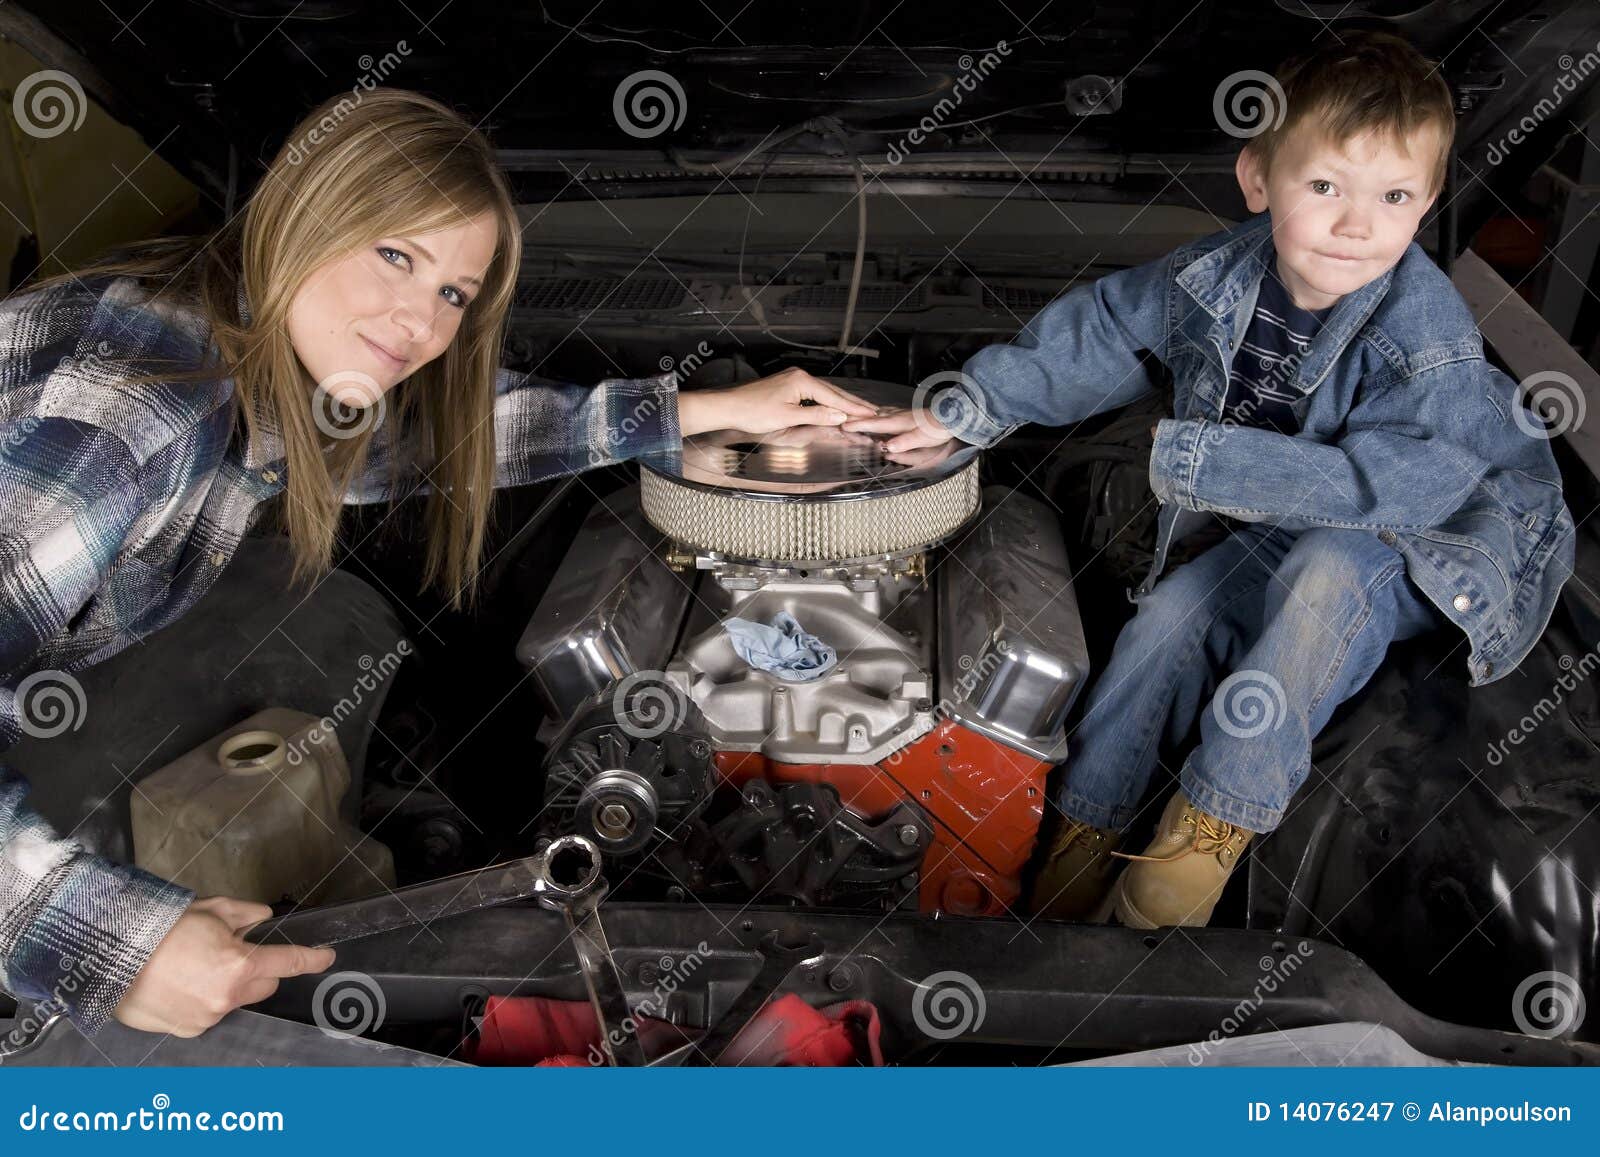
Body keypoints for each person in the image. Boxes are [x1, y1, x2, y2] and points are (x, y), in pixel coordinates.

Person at [0, 88, 877, 1040]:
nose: (418, 323)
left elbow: (420, 442)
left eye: (454, 293)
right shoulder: (137, 414)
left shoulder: (252, 353)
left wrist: (689, 417)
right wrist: (94, 938)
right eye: (394, 255)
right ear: (307, 209)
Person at [845, 31, 1575, 928]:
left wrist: (1201, 460)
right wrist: (961, 410)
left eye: (1393, 197)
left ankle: (1182, 876)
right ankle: (1073, 856)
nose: (1357, 225)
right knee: (1168, 620)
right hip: (1292, 507)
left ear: (1424, 206)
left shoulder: (1426, 340)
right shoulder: (1217, 275)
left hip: (1437, 530)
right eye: (1325, 188)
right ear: (1258, 180)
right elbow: (1104, 332)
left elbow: (1398, 492)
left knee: (1323, 581)